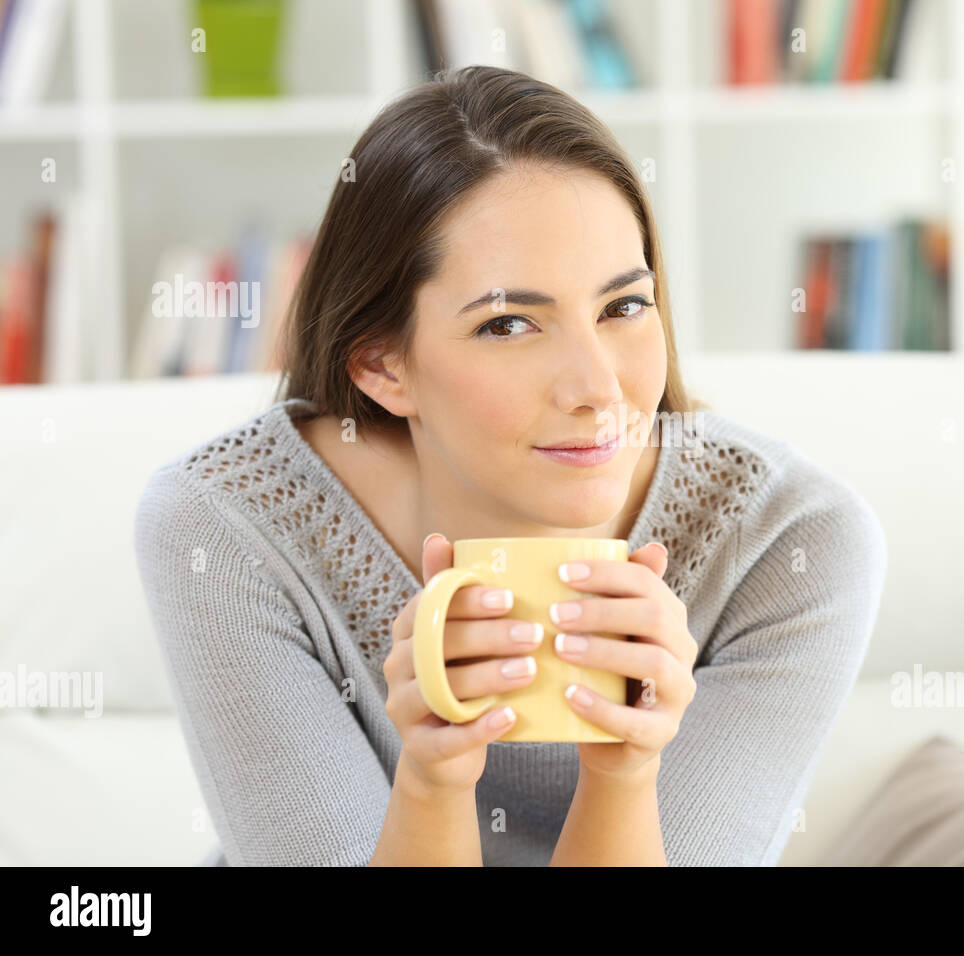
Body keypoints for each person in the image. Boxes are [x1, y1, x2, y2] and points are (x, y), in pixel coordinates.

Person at [133, 65, 887, 866]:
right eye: (508, 326)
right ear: (382, 366)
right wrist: (431, 784)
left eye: (624, 306)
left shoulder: (792, 545)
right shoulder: (229, 528)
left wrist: (623, 776)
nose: (600, 390)